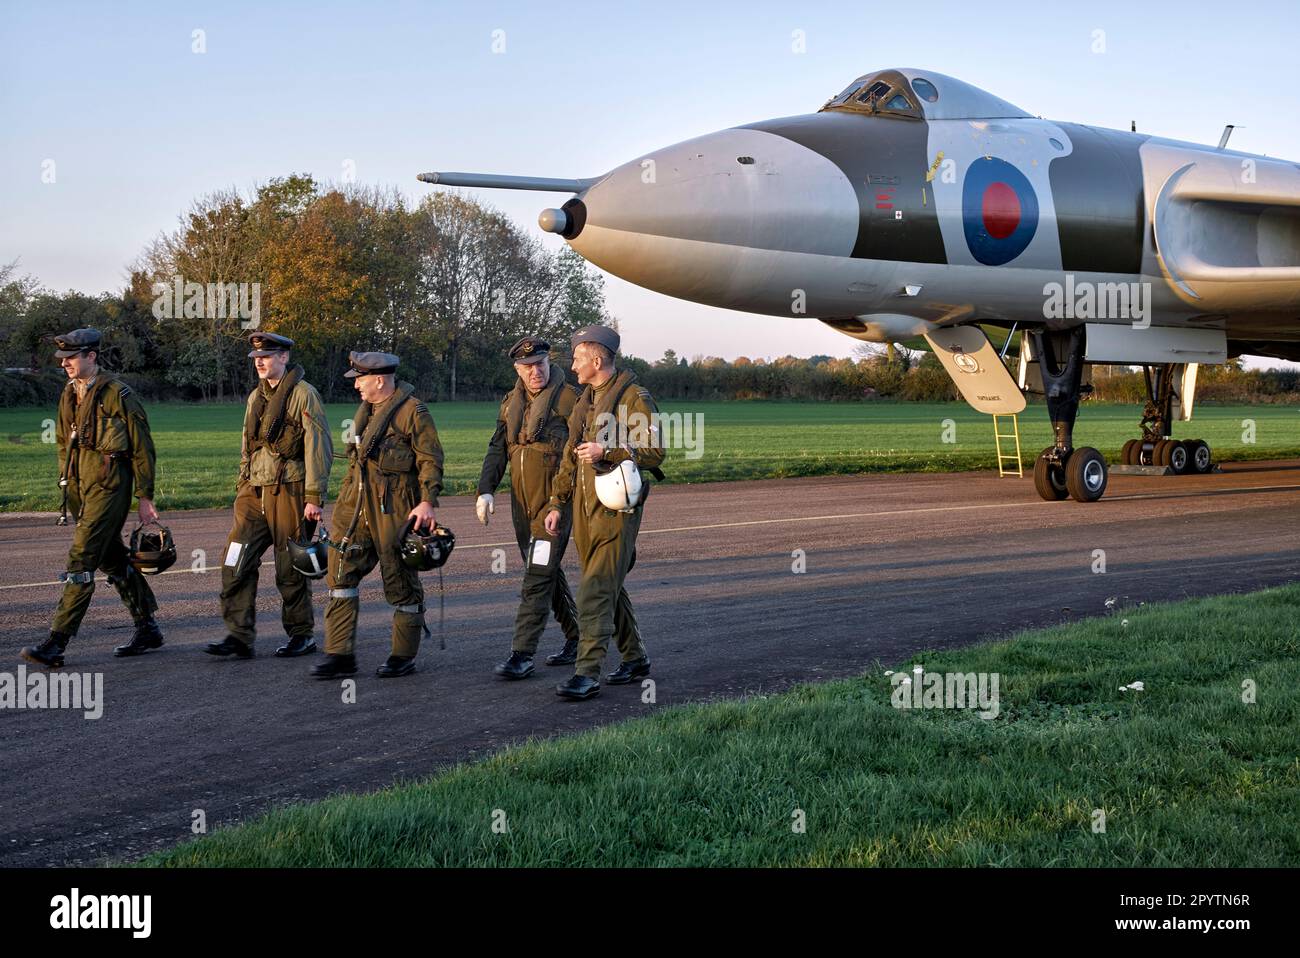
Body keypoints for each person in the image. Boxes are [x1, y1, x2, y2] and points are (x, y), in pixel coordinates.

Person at [21, 328, 163, 667]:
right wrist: (67, 483)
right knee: (111, 558)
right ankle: (148, 627)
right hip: (80, 487)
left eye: (71, 357)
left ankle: (57, 641)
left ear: (91, 357)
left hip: (111, 485)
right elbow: (62, 443)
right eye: (63, 359)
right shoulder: (69, 393)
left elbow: (143, 448)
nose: (65, 363)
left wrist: (144, 496)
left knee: (81, 558)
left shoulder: (118, 394)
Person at [543, 325, 665, 701]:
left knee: (594, 589)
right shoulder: (587, 399)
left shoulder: (633, 398)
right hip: (583, 507)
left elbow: (655, 451)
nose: (573, 364)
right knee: (608, 584)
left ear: (597, 360)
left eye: (578, 358)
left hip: (616, 511)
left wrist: (608, 450)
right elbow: (569, 456)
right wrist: (556, 503)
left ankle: (587, 673)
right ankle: (635, 657)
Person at [312, 351, 444, 680]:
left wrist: (427, 501)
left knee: (400, 581)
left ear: (380, 380)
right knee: (340, 572)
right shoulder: (366, 412)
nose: (356, 385)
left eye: (360, 379)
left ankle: (402, 655)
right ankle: (339, 654)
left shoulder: (413, 412)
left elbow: (431, 459)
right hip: (354, 506)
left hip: (394, 507)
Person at [206, 332, 332, 660]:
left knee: (289, 567)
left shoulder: (304, 395)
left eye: (267, 356)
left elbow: (318, 448)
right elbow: (247, 445)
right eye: (256, 358)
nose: (260, 362)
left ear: (284, 358)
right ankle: (239, 635)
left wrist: (314, 496)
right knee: (234, 559)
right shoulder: (255, 398)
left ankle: (301, 635)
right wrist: (242, 486)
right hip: (254, 491)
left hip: (289, 490)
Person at [478, 336, 583, 680]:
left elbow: (580, 452)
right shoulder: (511, 404)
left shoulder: (570, 400)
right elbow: (498, 448)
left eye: (539, 364)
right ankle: (577, 638)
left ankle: (522, 654)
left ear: (549, 362)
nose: (534, 371)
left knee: (537, 574)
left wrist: (563, 500)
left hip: (556, 503)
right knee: (544, 569)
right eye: (527, 367)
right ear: (517, 370)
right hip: (521, 504)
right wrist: (486, 490)